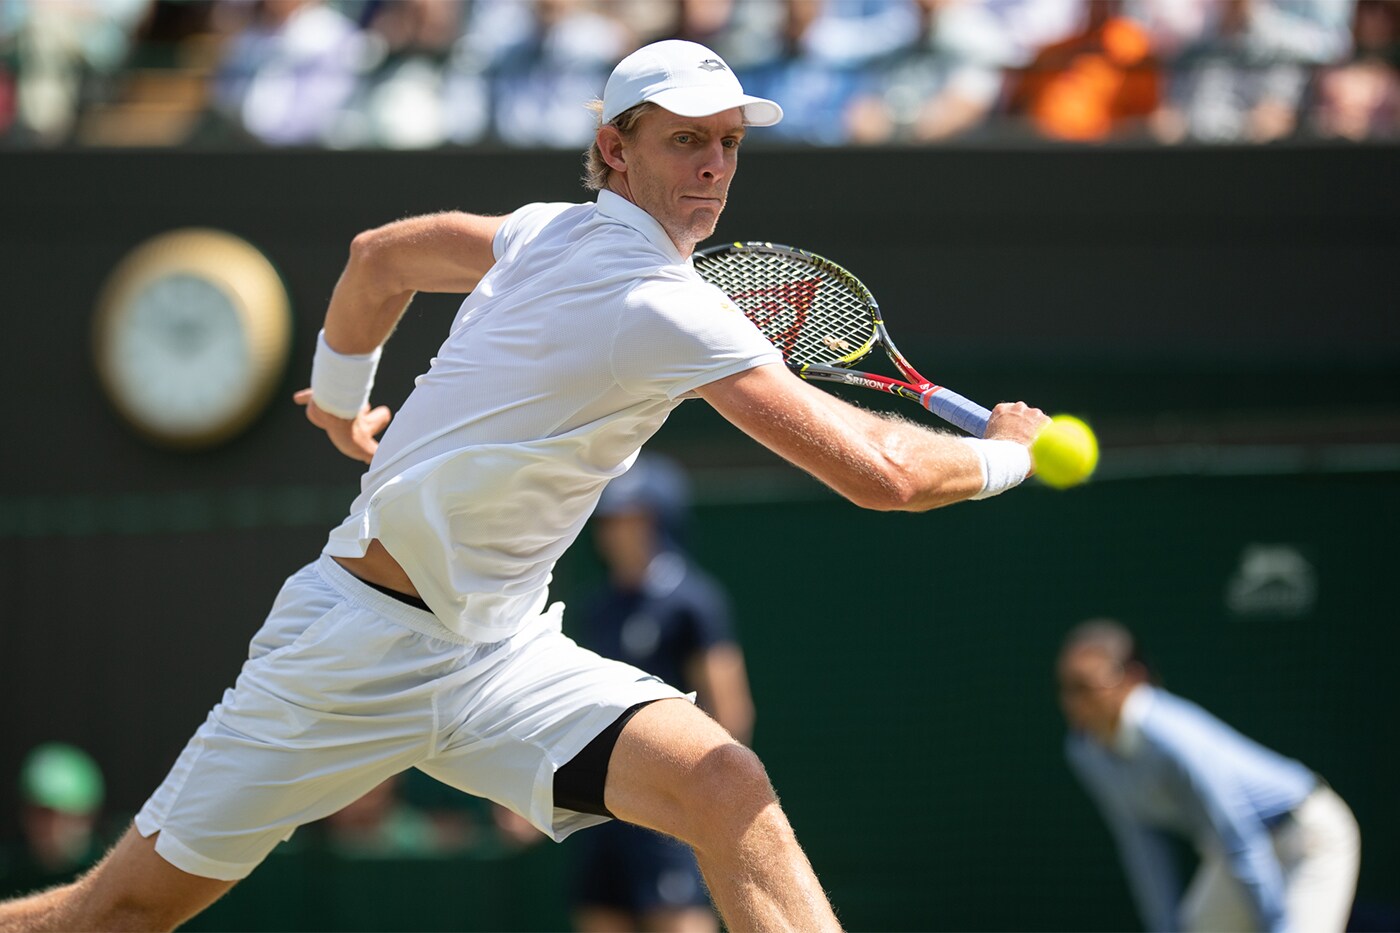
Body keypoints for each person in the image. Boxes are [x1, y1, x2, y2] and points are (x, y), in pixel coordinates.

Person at [0, 38, 1049, 933]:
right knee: (117, 917)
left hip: (501, 657)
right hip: (348, 652)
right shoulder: (663, 305)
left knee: (722, 783)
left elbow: (380, 259)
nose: (714, 165)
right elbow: (882, 475)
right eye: (684, 137)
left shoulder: (542, 231)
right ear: (613, 148)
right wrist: (1009, 452)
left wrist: (336, 396)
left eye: (728, 141)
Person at [1057, 619, 1361, 933]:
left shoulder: (1172, 740)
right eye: (1066, 686)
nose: (1074, 701)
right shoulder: (1084, 752)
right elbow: (1141, 841)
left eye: (1086, 686)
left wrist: (1277, 926)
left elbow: (1238, 835)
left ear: (1132, 678)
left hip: (1307, 837)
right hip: (1236, 849)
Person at [568, 453, 754, 933]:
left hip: (667, 806)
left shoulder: (693, 600)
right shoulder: (599, 606)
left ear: (661, 518)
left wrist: (700, 798)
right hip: (604, 803)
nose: (613, 531)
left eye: (629, 518)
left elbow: (731, 711)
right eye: (607, 520)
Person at [0, 745, 106, 899]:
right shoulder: (8, 873)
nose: (52, 826)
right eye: (42, 813)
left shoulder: (107, 873)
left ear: (88, 817)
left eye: (66, 814)